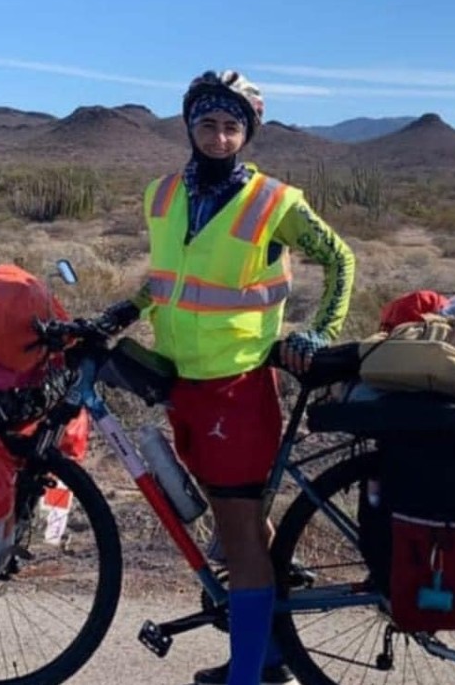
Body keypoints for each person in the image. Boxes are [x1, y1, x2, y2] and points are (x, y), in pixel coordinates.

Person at [98, 69, 356, 685]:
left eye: (232, 126)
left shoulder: (275, 201)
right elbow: (164, 278)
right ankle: (266, 659)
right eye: (208, 123)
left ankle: (249, 676)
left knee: (239, 535)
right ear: (189, 124)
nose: (219, 137)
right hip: (185, 379)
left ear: (248, 134)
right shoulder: (161, 195)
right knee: (240, 524)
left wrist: (319, 331)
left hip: (237, 384)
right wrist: (126, 311)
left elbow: (340, 259)